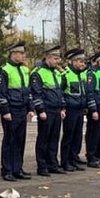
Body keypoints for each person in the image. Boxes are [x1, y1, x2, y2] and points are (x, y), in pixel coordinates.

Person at [0, 41, 32, 181]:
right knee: (10, 141)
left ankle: (18, 168)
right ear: (13, 54)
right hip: (11, 110)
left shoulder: (24, 69)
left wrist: (30, 108)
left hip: (22, 109)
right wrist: (5, 111)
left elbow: (27, 91)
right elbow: (1, 93)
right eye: (21, 53)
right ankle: (7, 170)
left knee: (20, 140)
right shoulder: (5, 70)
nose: (24, 56)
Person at [30, 44, 65, 175]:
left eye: (58, 59)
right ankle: (42, 166)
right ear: (48, 58)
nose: (58, 62)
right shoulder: (38, 72)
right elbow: (36, 93)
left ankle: (53, 164)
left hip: (56, 110)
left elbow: (59, 92)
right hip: (46, 111)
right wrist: (40, 110)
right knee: (43, 139)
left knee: (54, 139)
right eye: (55, 59)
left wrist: (62, 108)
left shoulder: (57, 73)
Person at [60, 48, 89, 171]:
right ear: (73, 61)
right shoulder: (66, 74)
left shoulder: (82, 74)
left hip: (80, 109)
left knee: (77, 136)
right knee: (68, 136)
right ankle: (65, 161)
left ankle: (74, 159)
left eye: (83, 62)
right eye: (80, 61)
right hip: (70, 109)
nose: (83, 64)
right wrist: (63, 108)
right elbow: (61, 92)